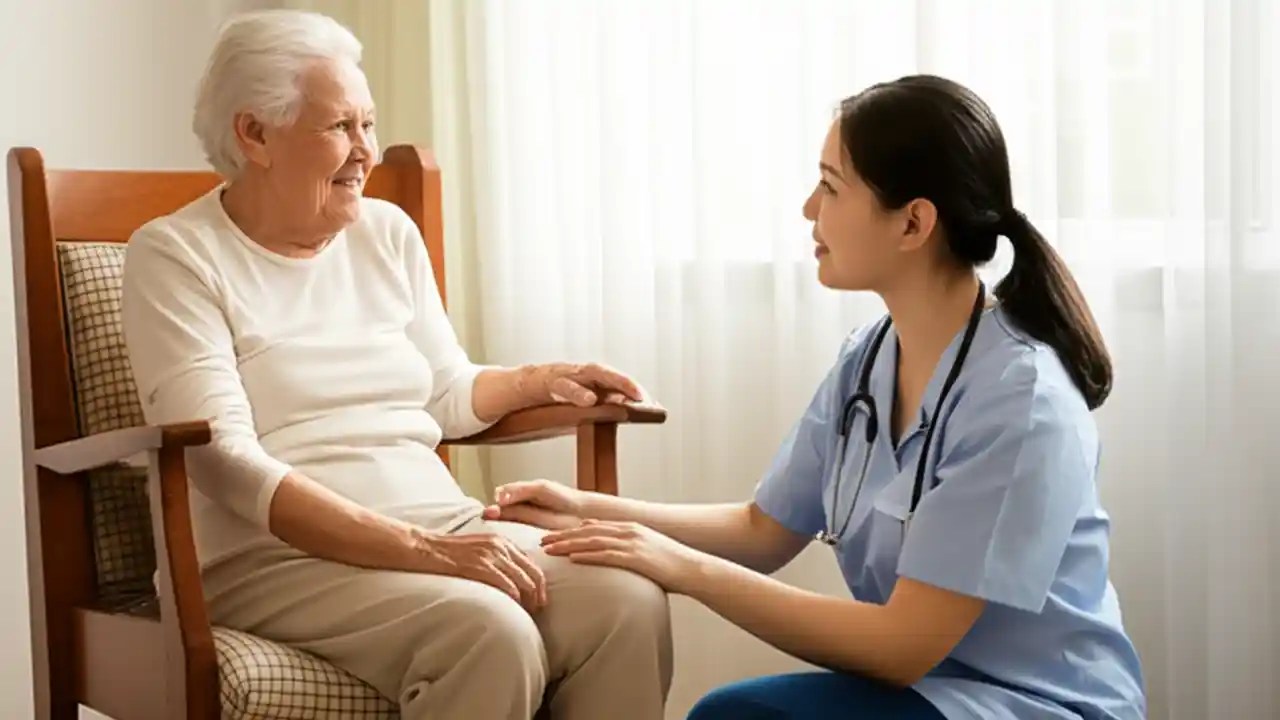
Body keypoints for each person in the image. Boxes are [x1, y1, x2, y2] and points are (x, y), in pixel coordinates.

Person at [486, 75, 1147, 720]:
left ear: (913, 222)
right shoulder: (869, 360)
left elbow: (901, 647)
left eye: (831, 186)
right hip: (931, 693)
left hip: (1036, 702)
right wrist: (584, 509)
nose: (809, 208)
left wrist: (681, 569)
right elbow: (763, 530)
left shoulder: (1021, 403)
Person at [119, 10, 671, 720]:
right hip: (266, 560)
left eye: (367, 125)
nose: (365, 152)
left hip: (437, 526)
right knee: (487, 633)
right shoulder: (175, 255)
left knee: (627, 599)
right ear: (253, 134)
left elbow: (444, 391)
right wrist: (428, 553)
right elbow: (222, 460)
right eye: (338, 128)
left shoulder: (385, 232)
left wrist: (539, 379)